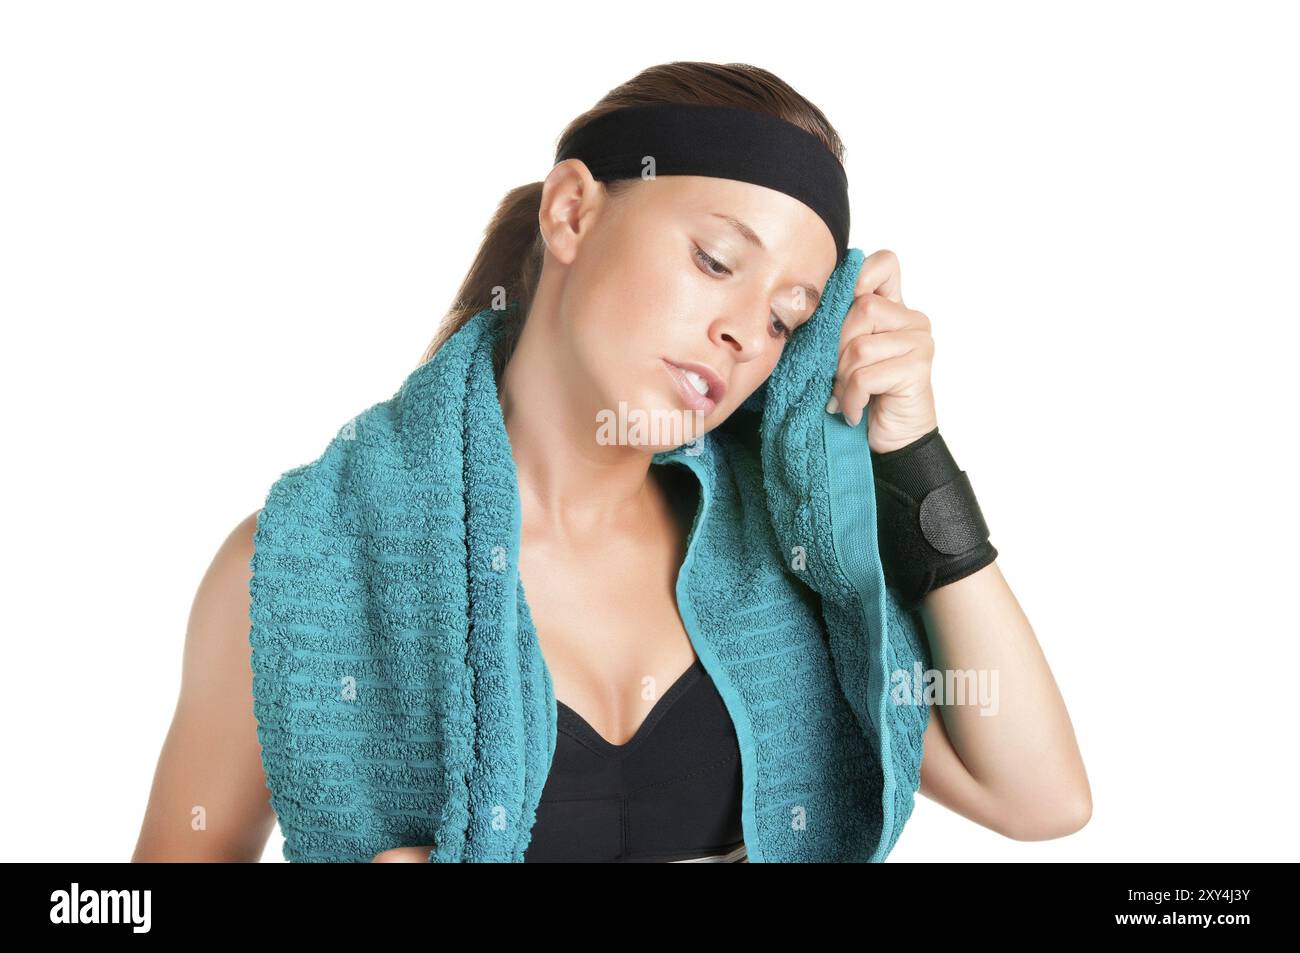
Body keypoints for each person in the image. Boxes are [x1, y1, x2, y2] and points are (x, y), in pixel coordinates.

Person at [132, 60, 1090, 863]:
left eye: (785, 317)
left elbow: (1039, 796)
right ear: (573, 213)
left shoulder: (788, 561)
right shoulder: (301, 568)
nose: (740, 334)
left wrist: (913, 450)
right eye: (716, 261)